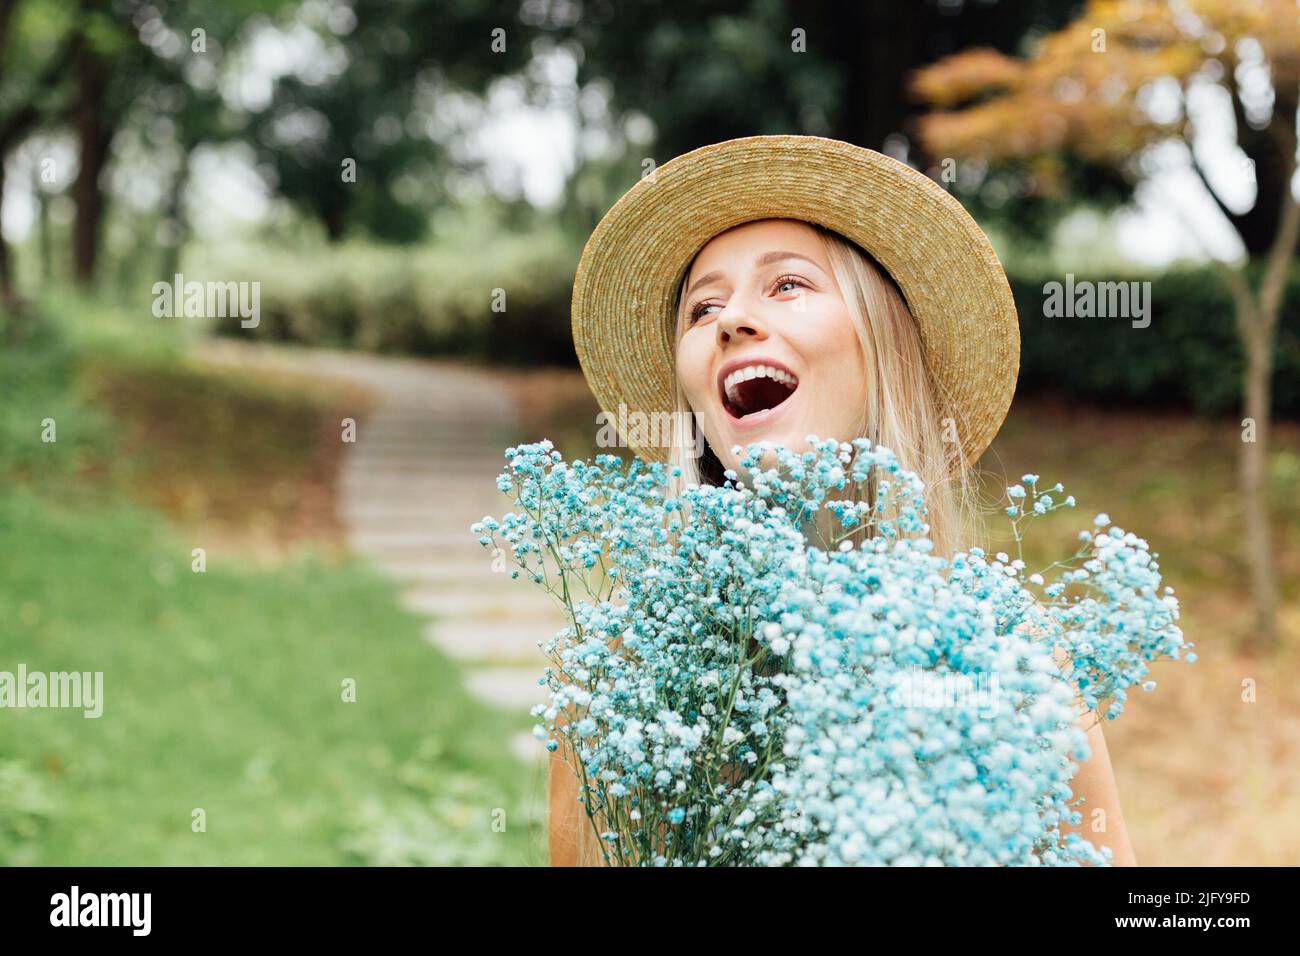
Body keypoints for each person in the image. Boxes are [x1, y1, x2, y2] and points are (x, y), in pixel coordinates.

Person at [553, 135, 1137, 867]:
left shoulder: (1012, 659)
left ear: (881, 345)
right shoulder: (621, 680)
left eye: (788, 285)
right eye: (701, 308)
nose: (731, 319)